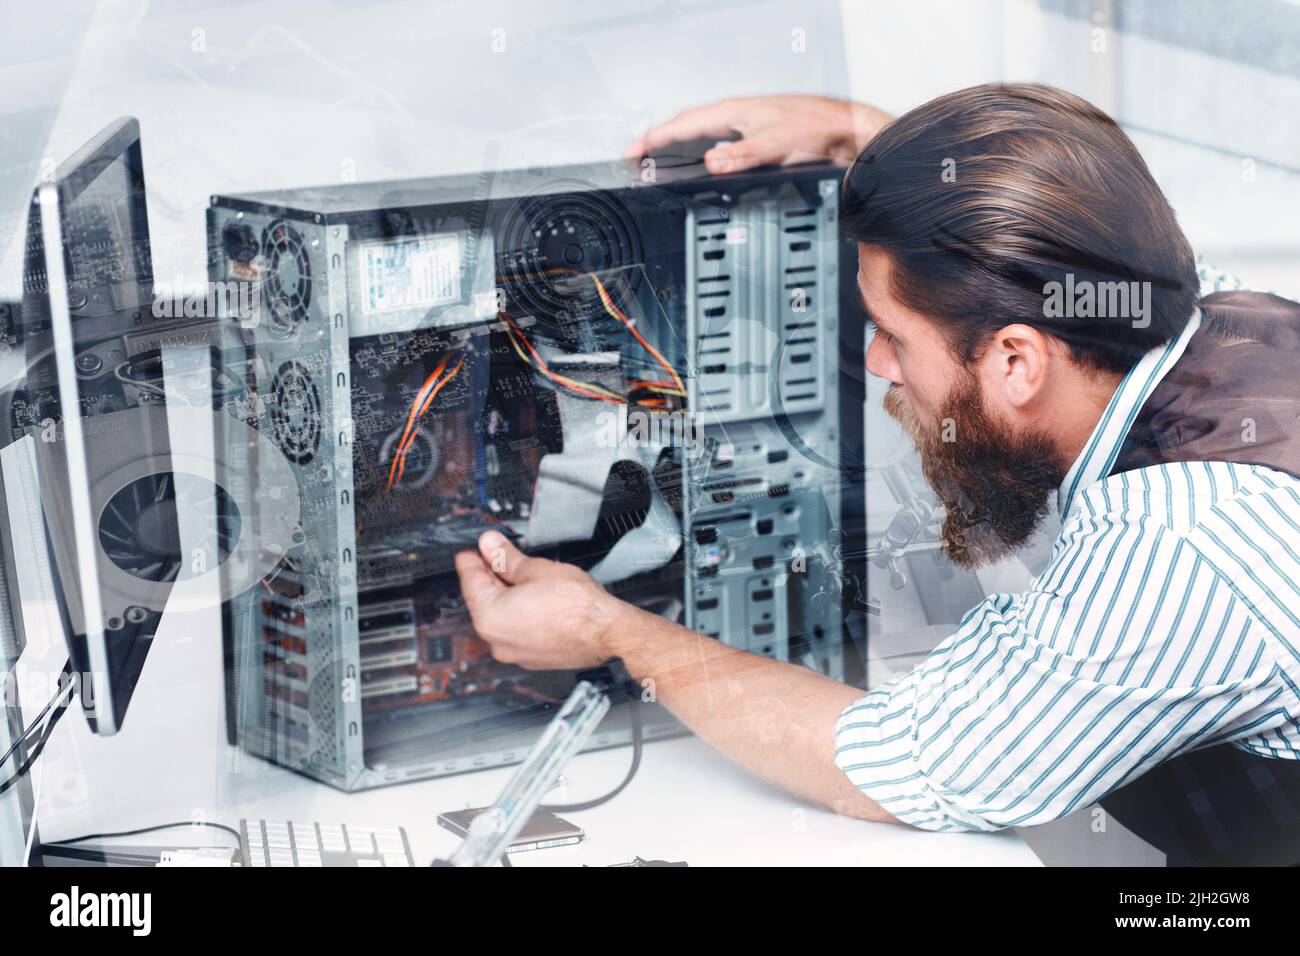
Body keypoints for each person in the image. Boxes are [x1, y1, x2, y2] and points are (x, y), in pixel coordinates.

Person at [454, 85, 1300, 835]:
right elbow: (1055, 240)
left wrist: (613, 631)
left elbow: (900, 766)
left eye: (892, 336)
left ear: (1016, 362)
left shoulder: (1171, 554)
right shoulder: (1213, 311)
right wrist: (871, 143)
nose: (879, 364)